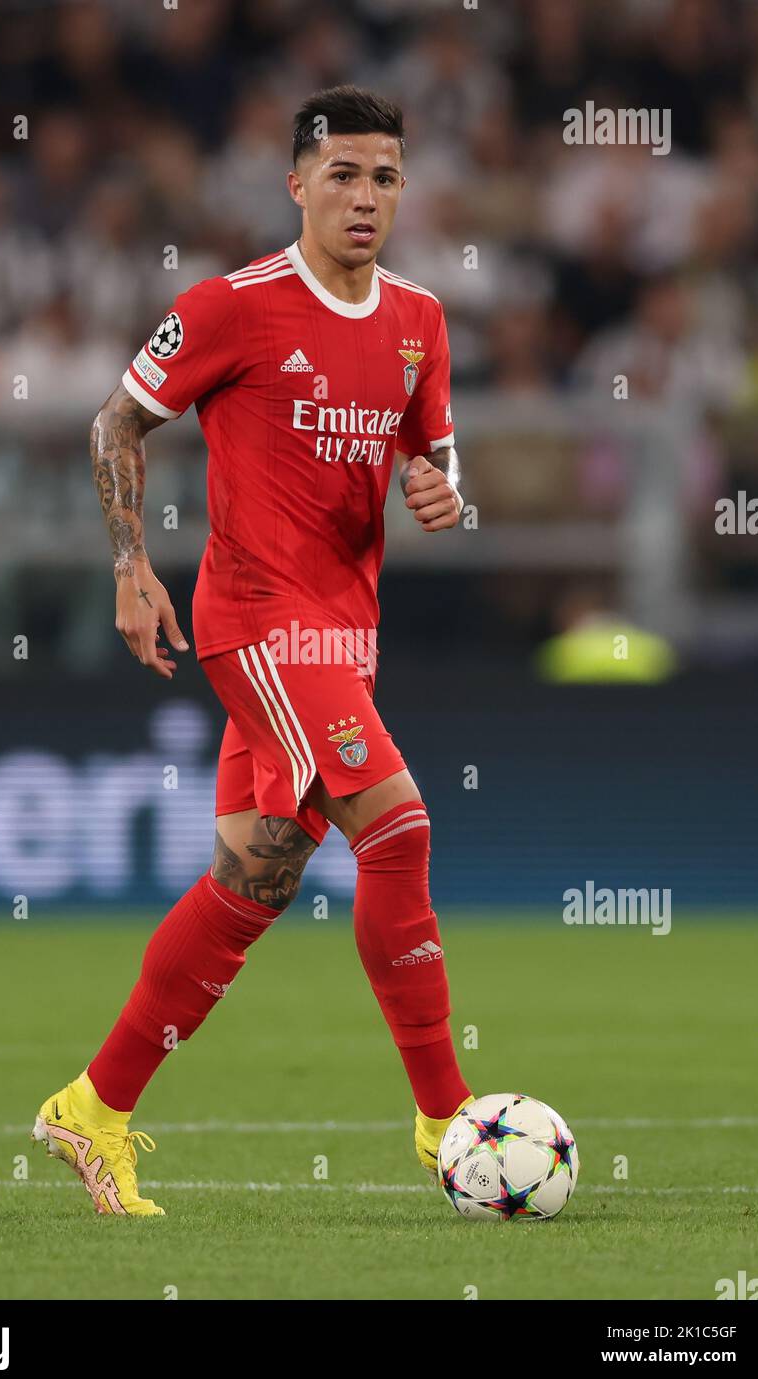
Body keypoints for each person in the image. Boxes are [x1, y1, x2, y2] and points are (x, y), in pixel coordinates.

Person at [32, 85, 472, 1215]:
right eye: (342, 175)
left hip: (344, 634)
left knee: (257, 874)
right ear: (298, 185)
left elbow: (436, 467)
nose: (364, 196)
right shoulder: (233, 306)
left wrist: (441, 492)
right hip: (256, 618)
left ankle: (93, 1107)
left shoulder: (421, 321)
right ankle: (446, 1120)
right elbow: (115, 420)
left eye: (383, 176)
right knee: (401, 826)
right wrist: (132, 566)